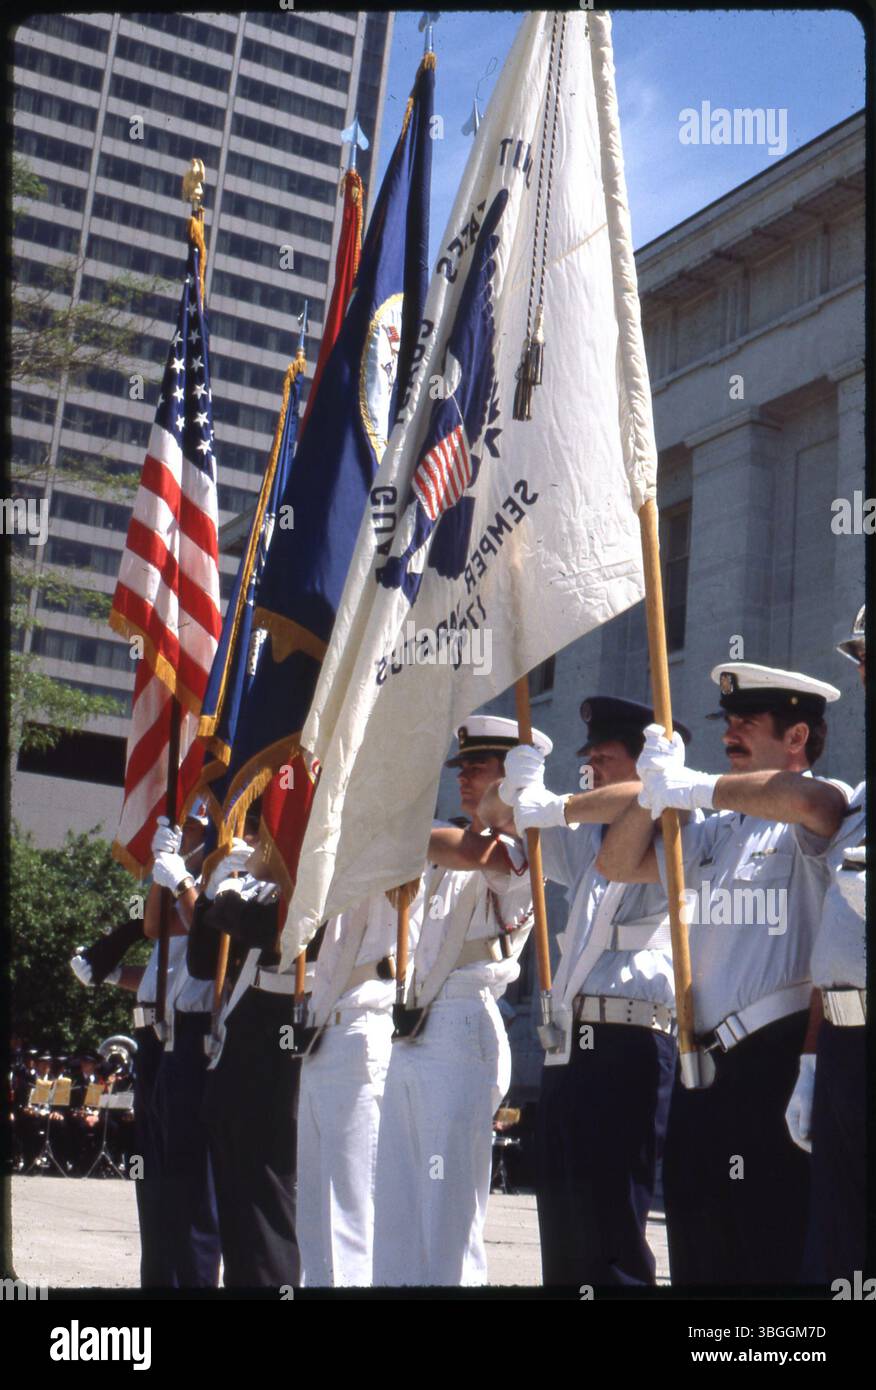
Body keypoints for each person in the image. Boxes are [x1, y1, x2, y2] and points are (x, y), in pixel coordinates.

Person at [597, 662, 849, 1286]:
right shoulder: (717, 829)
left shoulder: (816, 806)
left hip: (776, 1059)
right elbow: (617, 862)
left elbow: (812, 802)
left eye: (747, 723)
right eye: (727, 723)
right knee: (699, 1248)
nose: (730, 734)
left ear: (796, 738)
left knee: (768, 1245)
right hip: (703, 1065)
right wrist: (651, 791)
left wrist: (696, 785)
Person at [483, 697, 691, 1286]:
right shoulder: (588, 833)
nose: (593, 767)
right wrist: (515, 787)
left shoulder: (677, 816)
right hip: (572, 1039)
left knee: (613, 1222)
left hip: (632, 1036)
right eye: (590, 758)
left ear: (646, 761)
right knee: (566, 1222)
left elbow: (636, 801)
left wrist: (558, 802)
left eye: (605, 757)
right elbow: (501, 820)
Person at [372, 715, 547, 1287]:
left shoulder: (523, 848)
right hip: (414, 1024)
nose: (466, 777)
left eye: (480, 767)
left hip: (463, 1024)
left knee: (447, 1210)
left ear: (509, 776)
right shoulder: (449, 843)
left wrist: (392, 826)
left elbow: (479, 855)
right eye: (464, 767)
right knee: (396, 1203)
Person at [785, 607, 867, 1282]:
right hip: (842, 1045)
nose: (864, 671)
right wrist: (812, 1060)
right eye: (863, 657)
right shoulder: (862, 797)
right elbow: (831, 950)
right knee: (836, 1252)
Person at [189, 828, 302, 1290]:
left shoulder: (302, 881)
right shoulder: (253, 884)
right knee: (236, 1193)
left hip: (283, 1031)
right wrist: (210, 891)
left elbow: (271, 933)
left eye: (259, 830)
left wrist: (222, 893)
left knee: (267, 1194)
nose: (251, 841)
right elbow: (201, 960)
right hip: (243, 1030)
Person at [297, 887, 426, 1287]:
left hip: (362, 1028)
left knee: (352, 1207)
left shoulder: (394, 847)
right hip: (321, 1031)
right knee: (315, 1209)